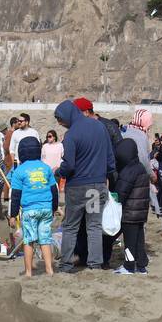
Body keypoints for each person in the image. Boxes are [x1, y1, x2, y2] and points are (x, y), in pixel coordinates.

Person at [53, 98, 114, 272]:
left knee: (71, 226)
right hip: (96, 186)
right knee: (94, 226)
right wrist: (106, 174)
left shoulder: (71, 135)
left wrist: (59, 172)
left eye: (60, 120)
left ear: (66, 116)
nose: (61, 124)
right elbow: (110, 158)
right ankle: (95, 264)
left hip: (77, 188)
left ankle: (65, 264)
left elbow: (69, 165)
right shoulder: (99, 127)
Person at [9, 136, 58, 277]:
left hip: (30, 210)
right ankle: (49, 270)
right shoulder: (46, 168)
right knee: (45, 239)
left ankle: (29, 272)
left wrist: (13, 215)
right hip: (46, 209)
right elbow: (54, 190)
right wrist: (54, 208)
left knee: (29, 240)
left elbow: (16, 196)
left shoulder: (19, 171)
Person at [110, 137, 150, 275]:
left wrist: (112, 195)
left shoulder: (128, 171)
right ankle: (142, 266)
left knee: (129, 242)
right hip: (141, 212)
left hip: (130, 213)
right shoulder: (140, 167)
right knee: (139, 240)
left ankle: (128, 266)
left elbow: (120, 193)